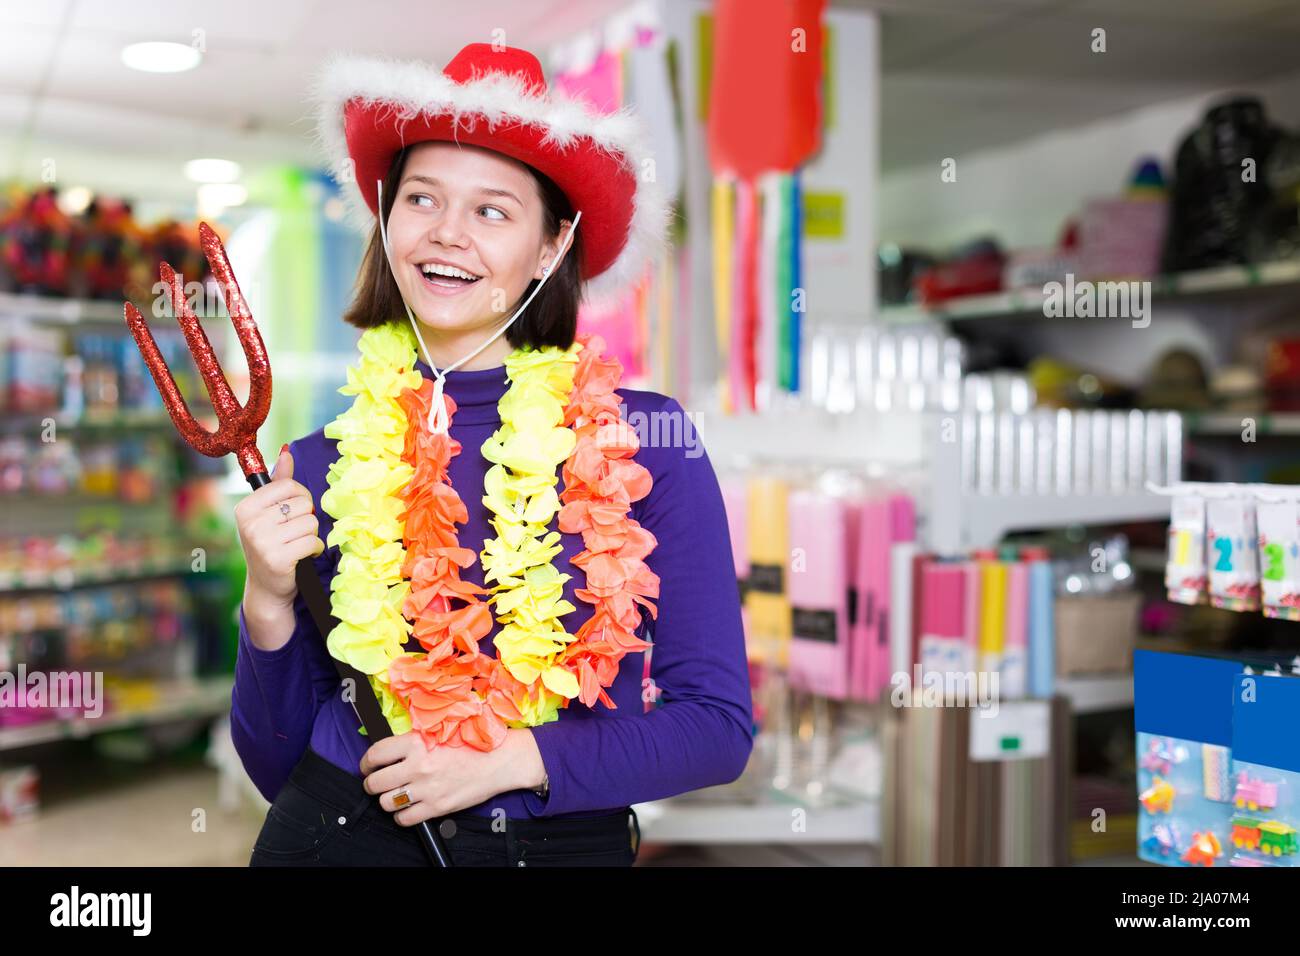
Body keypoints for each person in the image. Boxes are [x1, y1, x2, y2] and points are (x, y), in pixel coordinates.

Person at [230, 42, 753, 867]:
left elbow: (718, 730)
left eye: (493, 211)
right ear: (386, 217)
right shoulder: (318, 462)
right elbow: (273, 766)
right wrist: (265, 601)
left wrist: (511, 760)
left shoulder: (646, 442)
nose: (446, 233)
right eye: (422, 198)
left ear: (552, 247)